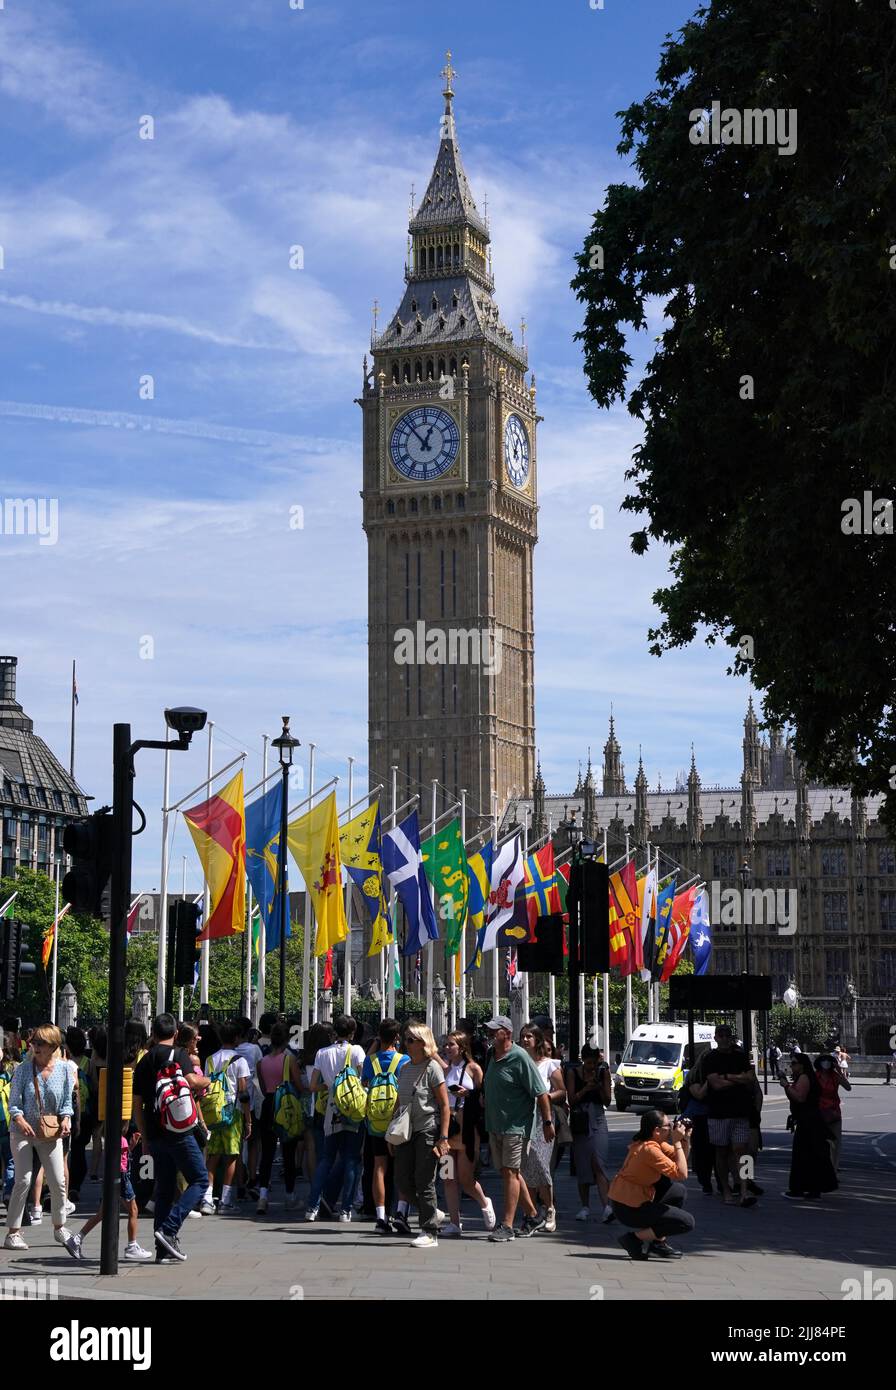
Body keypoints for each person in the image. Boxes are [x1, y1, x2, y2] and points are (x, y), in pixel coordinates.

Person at [132, 1012, 211, 1262]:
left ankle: (162, 1250)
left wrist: (144, 1136)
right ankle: (170, 1228)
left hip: (155, 1132)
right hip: (178, 1130)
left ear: (153, 1034)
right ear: (176, 1034)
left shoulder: (144, 1062)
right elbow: (193, 1082)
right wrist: (209, 1079)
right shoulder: (179, 1055)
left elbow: (137, 1104)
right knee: (199, 1180)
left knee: (164, 1188)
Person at [481, 1016, 554, 1243]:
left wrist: (548, 1122)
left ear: (507, 1033)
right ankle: (533, 1215)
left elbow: (541, 1093)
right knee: (509, 1172)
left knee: (511, 1173)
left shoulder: (520, 1057)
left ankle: (508, 1225)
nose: (491, 1035)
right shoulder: (492, 1056)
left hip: (516, 1126)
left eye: (495, 1031)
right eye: (490, 1031)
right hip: (496, 1125)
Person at [4, 1025, 74, 1251]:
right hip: (22, 1131)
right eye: (33, 1042)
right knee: (23, 1179)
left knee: (57, 1181)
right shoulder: (24, 1069)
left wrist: (65, 1119)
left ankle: (59, 1226)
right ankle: (13, 1232)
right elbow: (14, 1103)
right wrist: (20, 1120)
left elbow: (66, 1103)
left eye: (40, 1043)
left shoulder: (63, 1070)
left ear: (53, 1046)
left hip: (50, 1132)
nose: (35, 1047)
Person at [389, 1023, 450, 1248]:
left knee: (425, 1181)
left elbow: (444, 1105)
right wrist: (391, 1132)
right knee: (403, 1180)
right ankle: (432, 1211)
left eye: (410, 1040)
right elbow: (399, 1101)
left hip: (426, 1129)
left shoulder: (432, 1068)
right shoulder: (404, 1068)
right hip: (405, 1132)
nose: (406, 1043)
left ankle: (429, 1231)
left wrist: (443, 1137)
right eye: (405, 1039)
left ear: (423, 1043)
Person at [609, 1109, 695, 1259]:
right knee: (686, 1222)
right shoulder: (649, 1150)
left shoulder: (654, 1143)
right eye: (669, 1125)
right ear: (656, 1130)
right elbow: (682, 1174)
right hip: (629, 1209)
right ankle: (633, 1239)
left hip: (633, 1201)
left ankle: (657, 1242)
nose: (672, 1127)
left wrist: (685, 1140)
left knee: (677, 1191)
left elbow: (678, 1158)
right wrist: (676, 1142)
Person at [306, 1015, 366, 1223]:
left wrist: (331, 1086)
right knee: (351, 1159)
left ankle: (312, 1206)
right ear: (352, 1032)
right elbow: (363, 1080)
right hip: (353, 1109)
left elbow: (313, 1086)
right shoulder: (357, 1051)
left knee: (326, 1159)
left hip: (331, 1110)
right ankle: (345, 1210)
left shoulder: (322, 1053)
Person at [64, 1125, 153, 1262]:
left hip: (111, 1177)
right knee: (133, 1210)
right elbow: (122, 1160)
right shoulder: (121, 1140)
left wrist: (131, 1146)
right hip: (121, 1177)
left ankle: (77, 1239)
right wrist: (132, 1146)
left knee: (102, 1213)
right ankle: (132, 1246)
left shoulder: (113, 1139)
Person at [437, 1029, 495, 1236]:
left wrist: (468, 1094)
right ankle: (454, 1222)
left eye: (451, 1045)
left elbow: (484, 1096)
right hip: (446, 1130)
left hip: (467, 1129)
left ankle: (484, 1202)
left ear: (461, 1047)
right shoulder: (444, 1069)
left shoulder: (473, 1068)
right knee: (448, 1177)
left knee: (466, 1179)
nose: (447, 1048)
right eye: (445, 1045)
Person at [360, 1018, 409, 1233]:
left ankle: (380, 1217)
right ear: (397, 1038)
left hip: (376, 1122)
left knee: (378, 1168)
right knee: (401, 1169)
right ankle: (400, 1212)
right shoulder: (404, 1059)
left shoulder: (371, 1061)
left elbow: (364, 1083)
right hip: (397, 1120)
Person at [199, 1021, 253, 1214]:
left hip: (214, 1112)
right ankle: (226, 1200)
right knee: (231, 1156)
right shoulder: (240, 1060)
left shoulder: (210, 1059)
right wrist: (248, 1119)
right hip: (233, 1112)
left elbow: (205, 1085)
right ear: (237, 1038)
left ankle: (207, 1198)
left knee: (212, 1155)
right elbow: (244, 1092)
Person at [702, 1024, 758, 1207]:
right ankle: (726, 1189)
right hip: (719, 1112)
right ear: (716, 1037)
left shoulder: (740, 1056)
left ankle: (745, 1189)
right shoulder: (710, 1058)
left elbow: (750, 1078)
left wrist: (725, 1077)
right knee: (721, 1152)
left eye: (728, 1035)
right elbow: (714, 1084)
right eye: (721, 1035)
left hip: (741, 1111)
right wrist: (738, 1078)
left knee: (744, 1152)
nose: (725, 1038)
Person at [518, 1023, 565, 1231]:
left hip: (543, 1118)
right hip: (522, 1118)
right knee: (524, 1166)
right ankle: (531, 1212)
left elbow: (562, 1091)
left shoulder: (549, 1065)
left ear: (537, 1040)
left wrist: (545, 1097)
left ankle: (550, 1208)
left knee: (540, 1163)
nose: (525, 1039)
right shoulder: (518, 1062)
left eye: (529, 1036)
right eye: (523, 1036)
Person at [255, 1021, 305, 1214]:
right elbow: (298, 1086)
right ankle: (290, 1195)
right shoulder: (289, 1060)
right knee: (288, 1153)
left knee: (266, 1154)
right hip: (285, 1105)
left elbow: (262, 1084)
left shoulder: (261, 1062)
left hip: (268, 1104)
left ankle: (263, 1196)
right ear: (286, 1039)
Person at [781, 1053, 837, 1199]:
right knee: (812, 1155)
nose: (791, 1066)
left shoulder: (805, 1077)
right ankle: (813, 1189)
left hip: (809, 1121)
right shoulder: (805, 1077)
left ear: (801, 1065)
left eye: (793, 1063)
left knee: (803, 1155)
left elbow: (800, 1097)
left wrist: (786, 1085)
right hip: (810, 1120)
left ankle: (799, 1189)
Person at [567, 1042, 613, 1222]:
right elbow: (571, 1100)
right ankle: (585, 1206)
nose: (592, 1067)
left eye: (594, 1063)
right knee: (583, 1164)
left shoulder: (603, 1072)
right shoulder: (573, 1073)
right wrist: (585, 1088)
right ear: (583, 1060)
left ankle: (607, 1207)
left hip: (598, 1117)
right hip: (580, 1119)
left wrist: (599, 1086)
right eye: (588, 1063)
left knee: (599, 1162)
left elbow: (608, 1101)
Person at [814, 1052, 850, 1174]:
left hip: (834, 1113)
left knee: (835, 1143)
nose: (826, 1063)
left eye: (829, 1061)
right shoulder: (815, 1076)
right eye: (824, 1060)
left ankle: (833, 1170)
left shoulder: (835, 1076)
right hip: (819, 1113)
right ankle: (821, 1169)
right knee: (820, 1143)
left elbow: (848, 1087)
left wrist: (840, 1072)